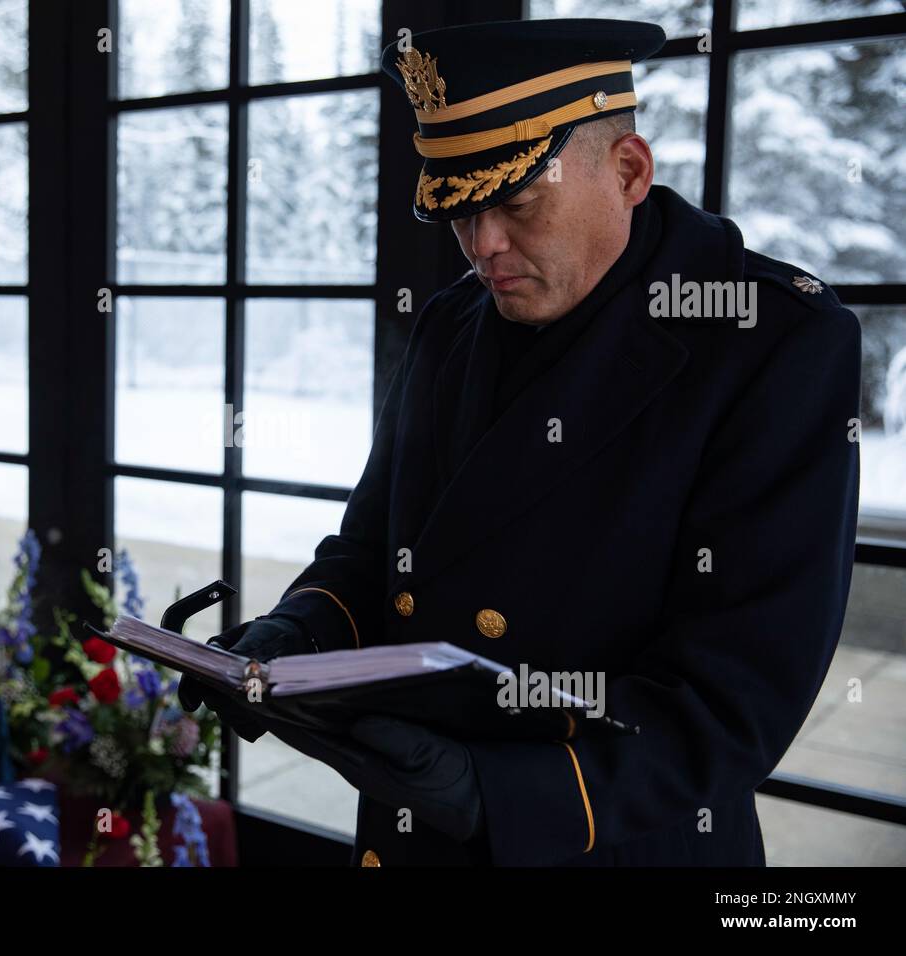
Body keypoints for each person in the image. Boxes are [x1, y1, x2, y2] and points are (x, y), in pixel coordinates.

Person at [180, 18, 861, 867]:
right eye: (463, 210)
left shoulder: (769, 339)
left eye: (515, 201)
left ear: (629, 170)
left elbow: (737, 694)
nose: (482, 246)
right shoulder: (452, 323)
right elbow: (372, 553)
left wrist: (499, 791)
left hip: (601, 836)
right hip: (413, 826)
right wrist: (297, 635)